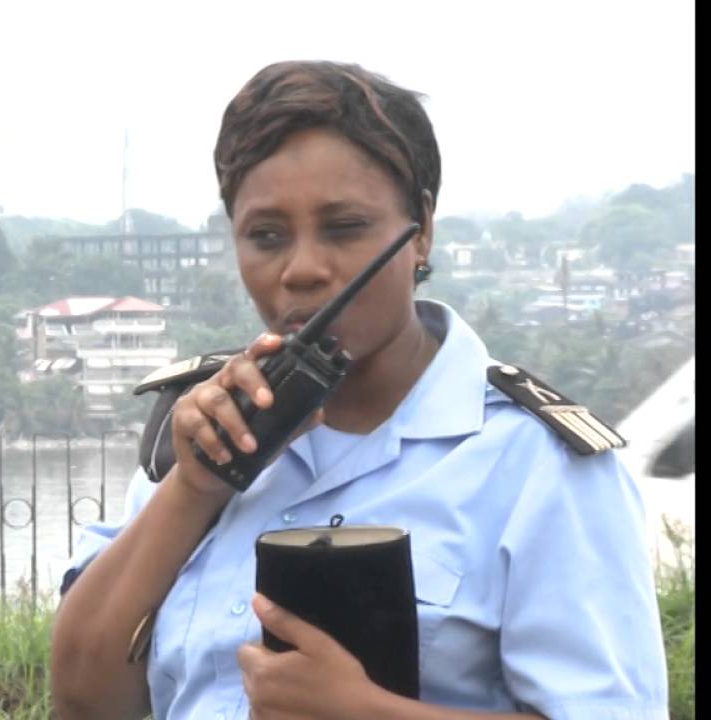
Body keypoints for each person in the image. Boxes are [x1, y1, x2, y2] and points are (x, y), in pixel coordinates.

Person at [50, 60, 669, 720]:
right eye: (265, 236)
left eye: (344, 227)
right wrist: (196, 488)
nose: (304, 269)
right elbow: (84, 700)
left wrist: (369, 712)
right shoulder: (201, 436)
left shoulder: (537, 467)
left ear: (421, 229)